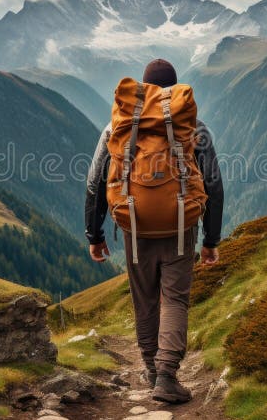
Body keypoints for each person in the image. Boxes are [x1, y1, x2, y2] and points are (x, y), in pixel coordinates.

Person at [84, 58, 224, 404]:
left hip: (135, 225)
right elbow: (214, 185)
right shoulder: (193, 126)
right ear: (175, 89)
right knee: (174, 299)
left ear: (144, 88)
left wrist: (94, 235)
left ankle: (151, 369)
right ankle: (166, 376)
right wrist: (210, 240)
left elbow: (95, 182)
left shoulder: (116, 126)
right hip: (180, 226)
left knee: (144, 299)